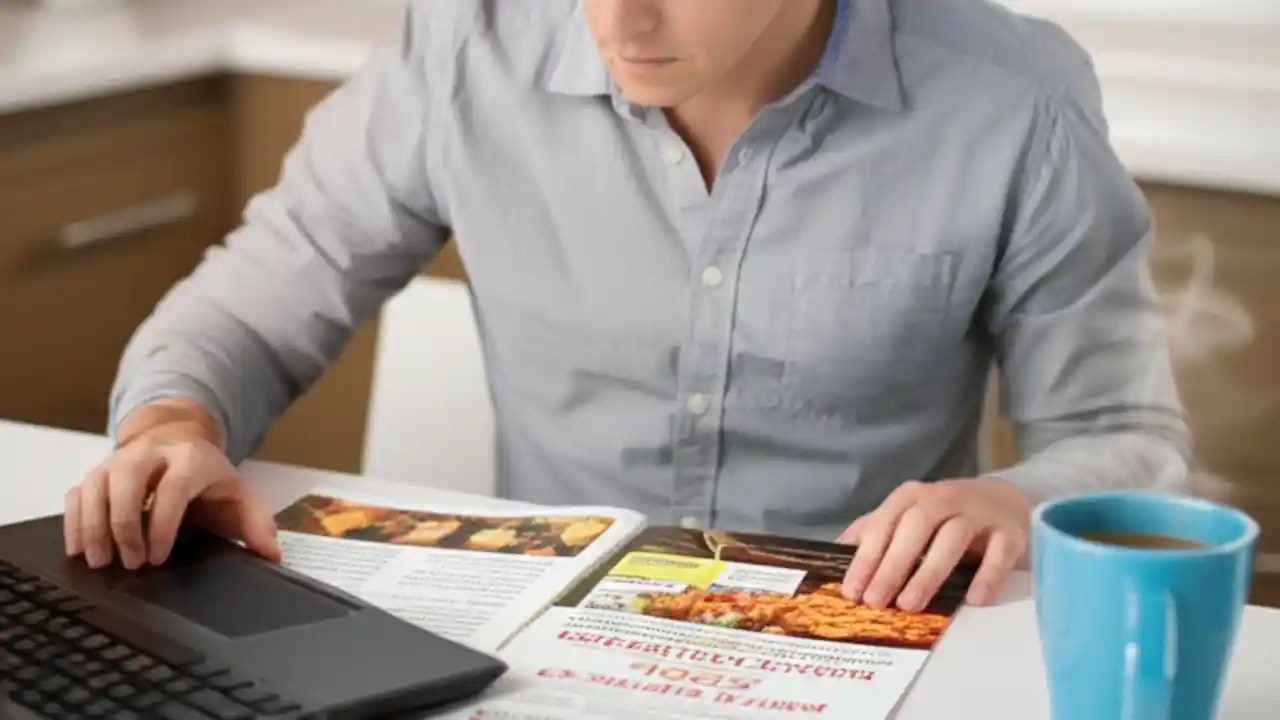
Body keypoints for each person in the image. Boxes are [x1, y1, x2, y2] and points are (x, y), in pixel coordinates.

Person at [62, 0, 1188, 613]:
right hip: (535, 654)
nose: (615, 20)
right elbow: (258, 302)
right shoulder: (463, 49)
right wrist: (172, 429)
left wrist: (1010, 500)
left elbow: (1120, 441)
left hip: (854, 640)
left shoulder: (1014, 102)